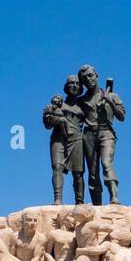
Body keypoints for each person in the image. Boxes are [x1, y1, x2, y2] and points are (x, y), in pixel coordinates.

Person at [77, 64, 125, 204]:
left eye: (90, 75)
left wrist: (109, 100)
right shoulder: (81, 100)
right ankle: (97, 205)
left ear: (96, 75)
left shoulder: (112, 95)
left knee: (106, 163)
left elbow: (122, 116)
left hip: (106, 132)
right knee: (92, 173)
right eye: (85, 78)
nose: (89, 79)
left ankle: (114, 197)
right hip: (89, 135)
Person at [42, 75, 87, 203]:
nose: (74, 85)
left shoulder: (84, 106)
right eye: (71, 83)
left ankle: (79, 201)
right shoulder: (58, 105)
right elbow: (47, 125)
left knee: (78, 173)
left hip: (77, 138)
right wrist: (56, 118)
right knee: (57, 167)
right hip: (59, 139)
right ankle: (58, 199)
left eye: (77, 83)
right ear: (66, 87)